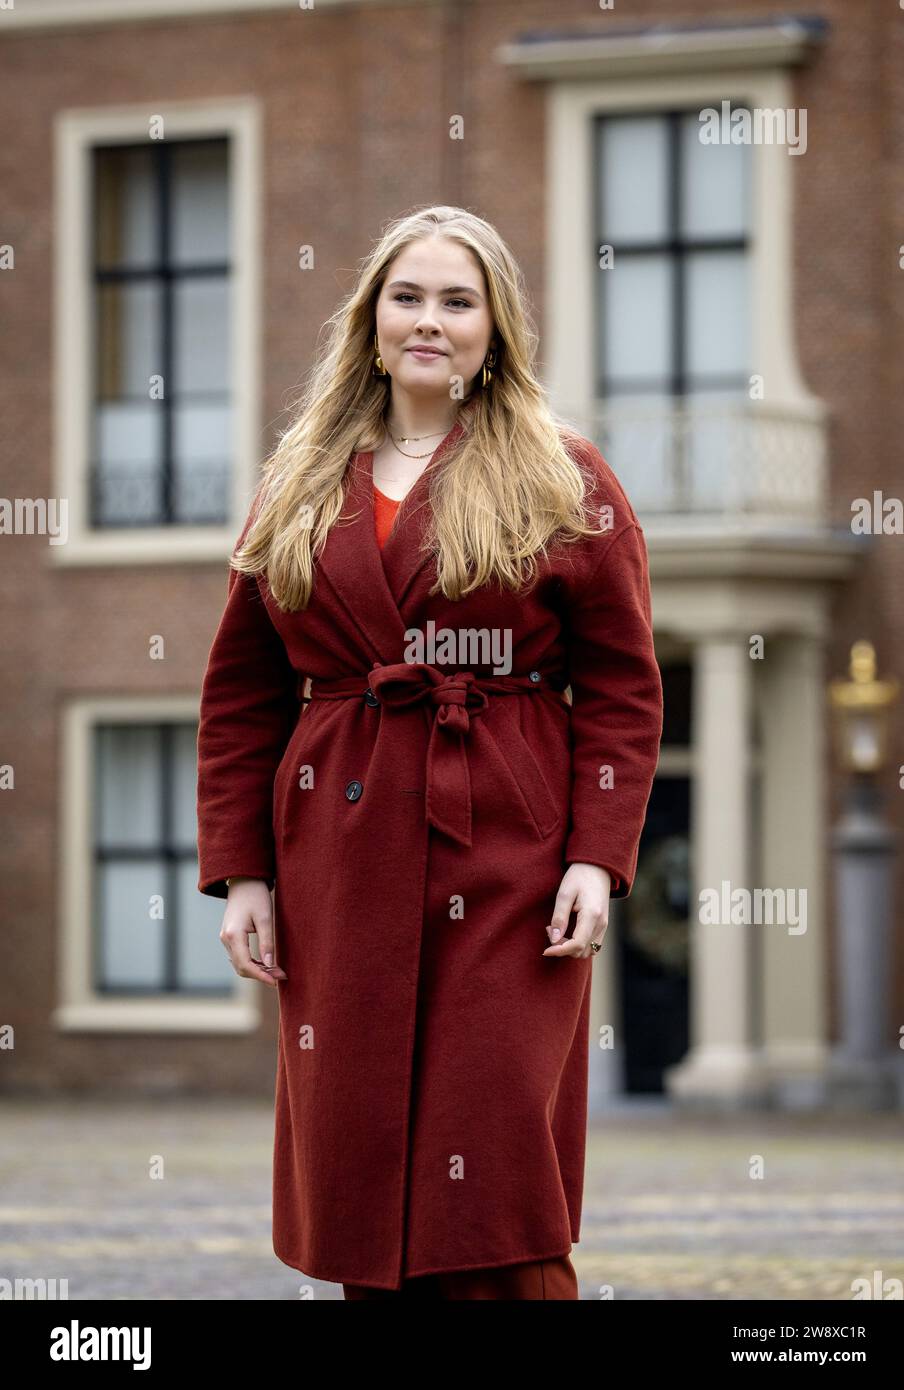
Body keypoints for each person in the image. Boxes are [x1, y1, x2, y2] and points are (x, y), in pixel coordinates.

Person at [196, 205, 664, 1300]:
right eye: (407, 296)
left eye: (459, 301)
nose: (430, 321)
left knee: (494, 1169)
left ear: (494, 329)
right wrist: (244, 873)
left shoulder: (565, 475)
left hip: (510, 857)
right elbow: (241, 696)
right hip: (338, 860)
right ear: (369, 321)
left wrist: (597, 856)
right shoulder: (298, 482)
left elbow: (622, 686)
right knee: (359, 1171)